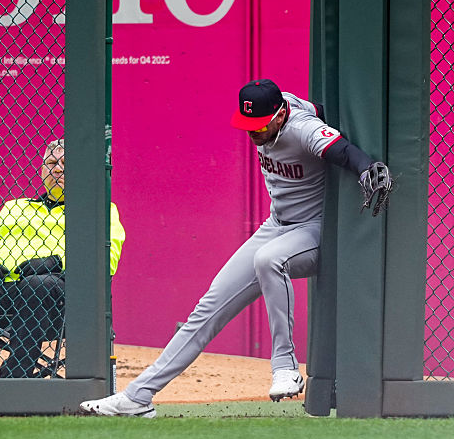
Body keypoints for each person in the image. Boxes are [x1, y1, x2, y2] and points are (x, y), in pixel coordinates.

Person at [80, 79, 394, 417]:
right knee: (207, 310)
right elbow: (314, 106)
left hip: (314, 231)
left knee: (269, 260)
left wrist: (365, 167)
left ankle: (285, 367)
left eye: (259, 125)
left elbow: (341, 149)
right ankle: (137, 398)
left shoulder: (302, 128)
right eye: (247, 124)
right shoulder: (284, 104)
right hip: (276, 225)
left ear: (279, 115)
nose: (252, 132)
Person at [0, 139, 125, 377]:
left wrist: (56, 263)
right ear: (43, 170)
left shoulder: (98, 209)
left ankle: (15, 376)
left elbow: (106, 256)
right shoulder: (15, 207)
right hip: (1, 287)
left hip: (58, 295)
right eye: (52, 163)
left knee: (37, 285)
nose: (58, 169)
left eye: (66, 163)